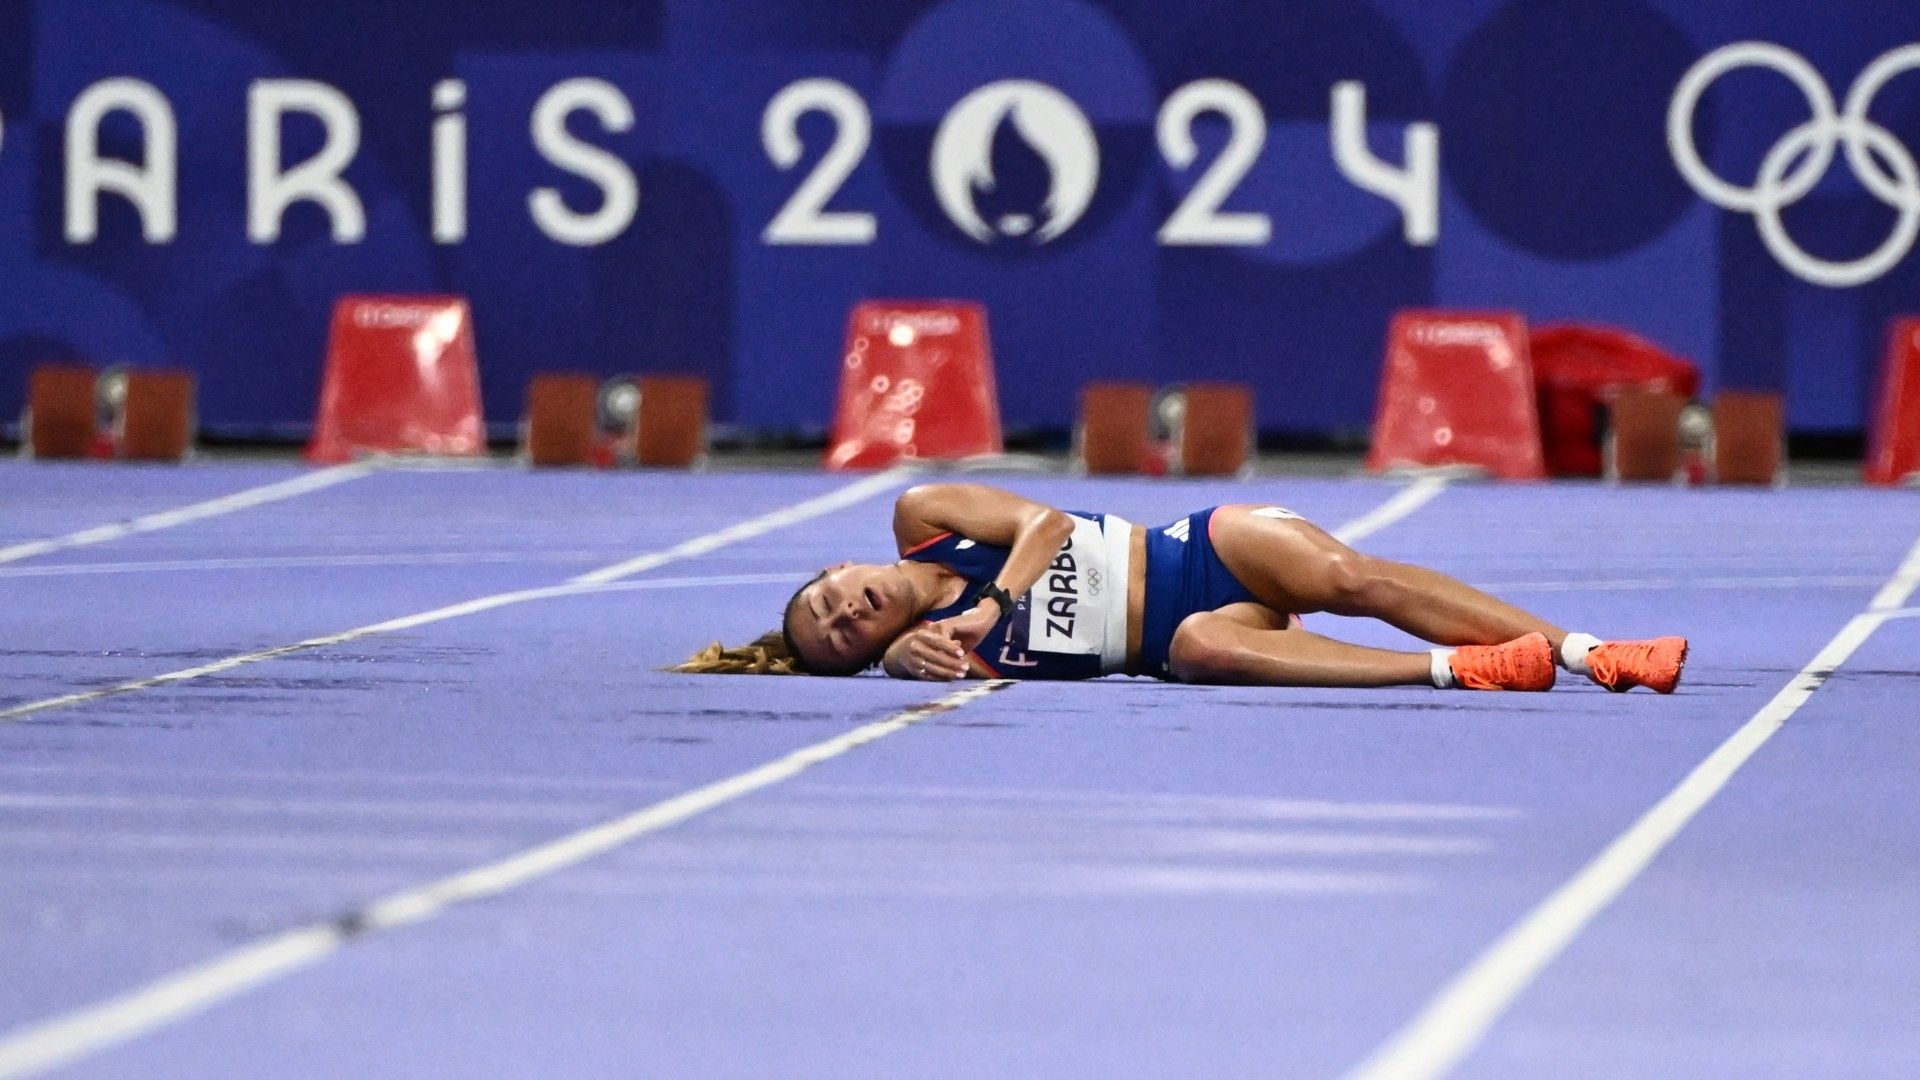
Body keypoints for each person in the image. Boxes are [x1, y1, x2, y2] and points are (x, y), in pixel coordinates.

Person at [675, 483, 1686, 692]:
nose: (845, 617)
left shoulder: (923, 514)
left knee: (1346, 575)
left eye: (828, 601)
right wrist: (904, 657)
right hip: (1190, 628)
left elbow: (1049, 523)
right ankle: (1460, 667)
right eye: (839, 639)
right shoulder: (913, 653)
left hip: (1200, 549)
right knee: (1201, 653)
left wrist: (988, 602)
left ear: (839, 566)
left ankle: (1586, 650)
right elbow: (943, 676)